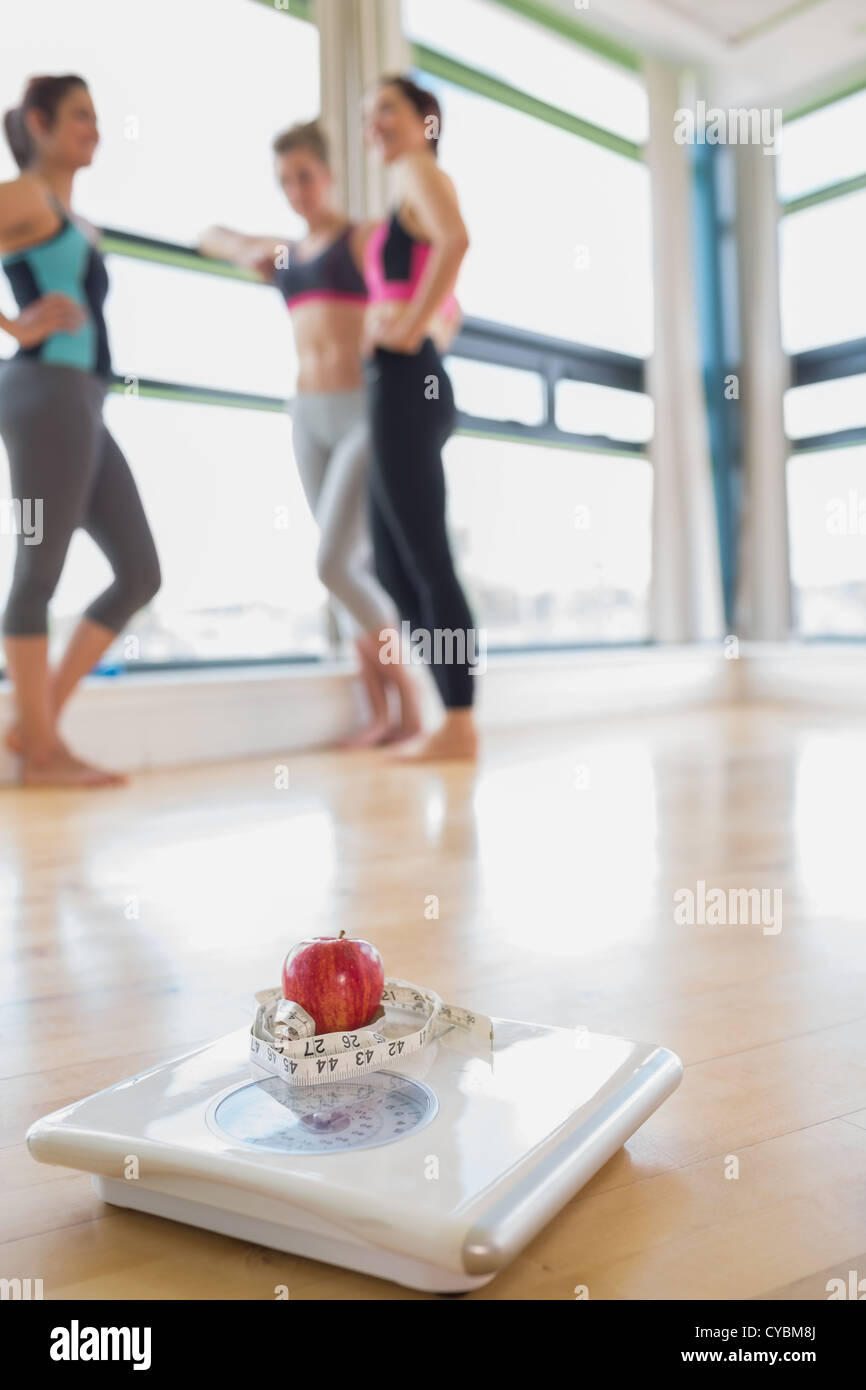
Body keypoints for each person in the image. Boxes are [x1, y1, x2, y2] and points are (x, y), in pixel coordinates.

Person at [200, 121, 420, 747]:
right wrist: (247, 249)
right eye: (284, 182)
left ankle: (412, 701)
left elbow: (418, 266)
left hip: (361, 412)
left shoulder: (361, 238)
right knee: (347, 562)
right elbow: (209, 234)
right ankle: (378, 712)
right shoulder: (286, 255)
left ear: (328, 174)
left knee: (333, 565)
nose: (296, 191)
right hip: (307, 414)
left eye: (304, 176)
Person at [0, 75, 161, 787]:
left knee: (139, 572)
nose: (93, 129)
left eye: (97, 117)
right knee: (39, 570)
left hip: (82, 401)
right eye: (78, 117)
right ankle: (42, 752)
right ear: (37, 123)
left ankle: (34, 733)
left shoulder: (72, 216)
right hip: (44, 395)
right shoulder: (25, 198)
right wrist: (14, 324)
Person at [362, 75, 479, 762]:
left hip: (408, 380)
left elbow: (458, 241)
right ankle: (450, 712)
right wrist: (420, 320)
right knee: (389, 560)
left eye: (386, 110)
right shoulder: (406, 187)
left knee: (426, 556)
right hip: (398, 377)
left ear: (423, 120)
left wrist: (406, 329)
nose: (373, 123)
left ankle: (460, 720)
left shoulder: (419, 171)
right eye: (367, 114)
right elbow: (450, 305)